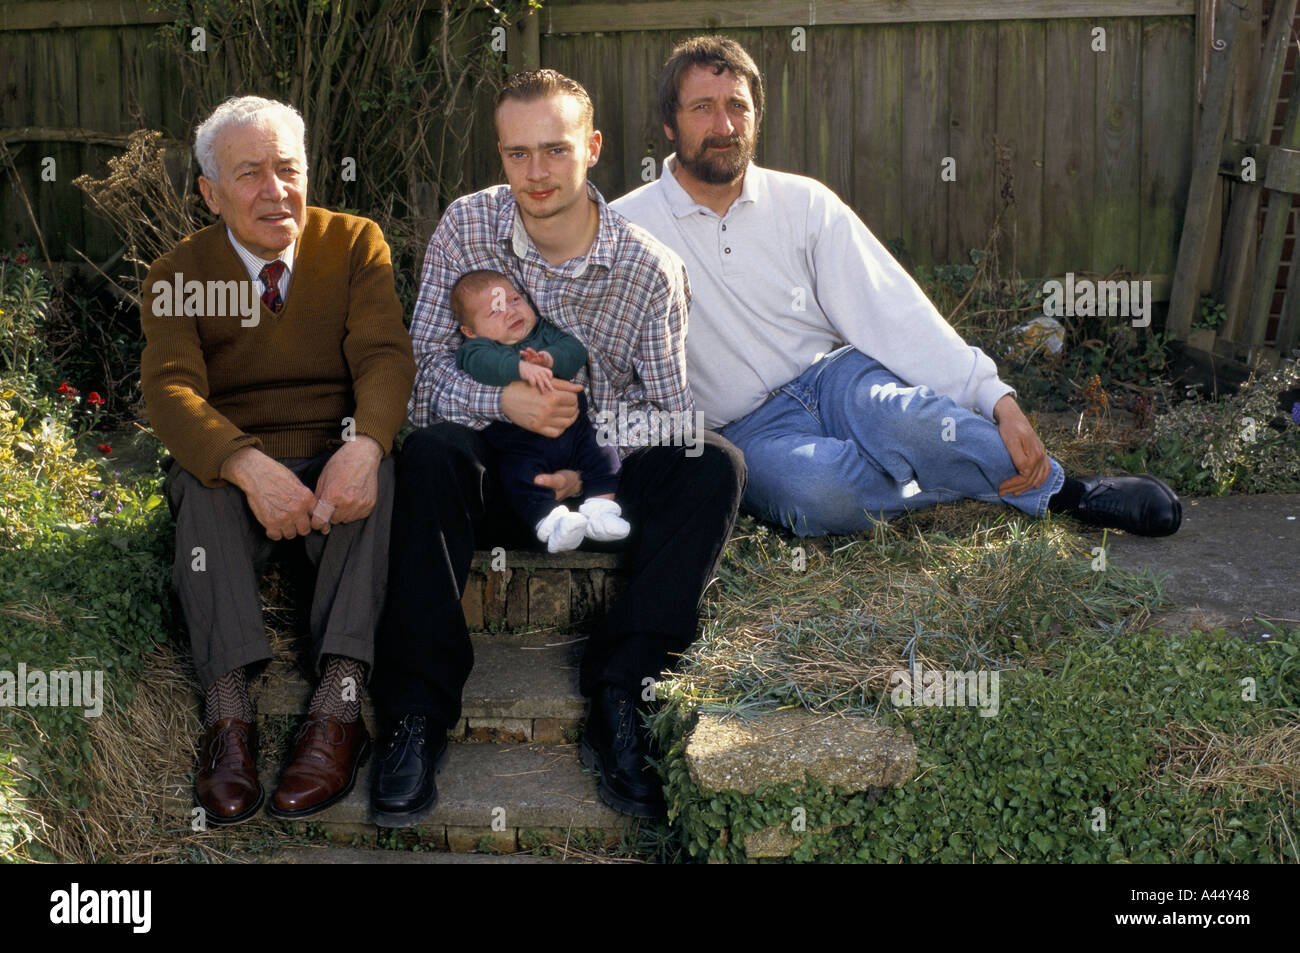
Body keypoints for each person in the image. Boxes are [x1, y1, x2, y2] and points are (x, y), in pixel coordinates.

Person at [613, 36, 1182, 539]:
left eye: (738, 106)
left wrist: (995, 397)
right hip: (746, 427)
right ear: (670, 124)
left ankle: (1069, 493)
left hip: (835, 378)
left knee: (911, 419)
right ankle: (952, 483)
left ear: (757, 116)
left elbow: (894, 310)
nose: (725, 126)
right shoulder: (627, 231)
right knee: (816, 493)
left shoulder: (804, 202)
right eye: (703, 109)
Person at [371, 69, 745, 823]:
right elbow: (420, 382)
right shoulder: (465, 227)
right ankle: (416, 713)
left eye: (553, 150)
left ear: (593, 148)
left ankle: (624, 690)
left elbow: (670, 414)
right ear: (500, 155)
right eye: (516, 154)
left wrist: (592, 436)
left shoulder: (649, 268)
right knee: (429, 454)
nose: (535, 174)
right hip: (495, 479)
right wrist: (501, 399)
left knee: (712, 460)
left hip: (599, 484)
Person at [140, 96, 415, 825]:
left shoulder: (355, 243)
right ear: (211, 192)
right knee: (201, 493)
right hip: (238, 461)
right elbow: (169, 389)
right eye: (250, 173)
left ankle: (339, 706)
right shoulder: (178, 271)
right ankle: (228, 715)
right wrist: (243, 461)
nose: (275, 190)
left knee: (376, 480)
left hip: (334, 443)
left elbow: (384, 356)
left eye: (287, 169)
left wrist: (365, 443)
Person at [450, 268, 630, 552]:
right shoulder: (475, 349)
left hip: (575, 430)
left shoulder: (543, 332)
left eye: (514, 299)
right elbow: (485, 365)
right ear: (470, 331)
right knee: (518, 477)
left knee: (604, 451)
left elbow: (574, 350)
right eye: (495, 311)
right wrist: (521, 368)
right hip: (520, 443)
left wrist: (550, 358)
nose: (510, 311)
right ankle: (552, 522)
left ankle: (601, 510)